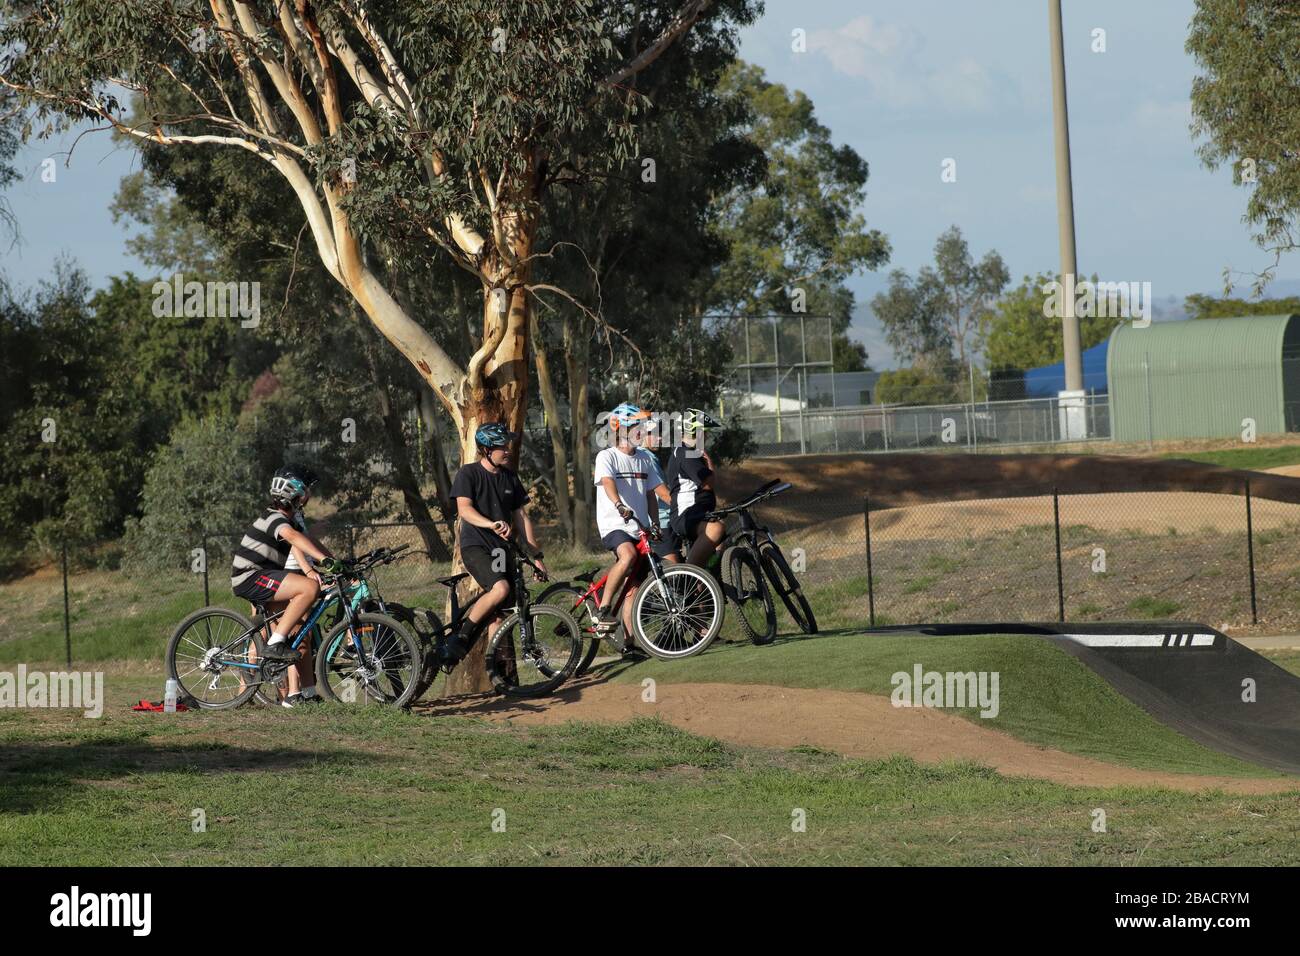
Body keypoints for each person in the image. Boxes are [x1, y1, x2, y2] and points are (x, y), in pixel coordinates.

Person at [230, 465, 335, 707]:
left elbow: (308, 540)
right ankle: (275, 644)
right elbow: (293, 538)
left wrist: (336, 562)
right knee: (309, 588)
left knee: (300, 632)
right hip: (250, 576)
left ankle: (302, 695)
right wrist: (322, 561)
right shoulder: (275, 518)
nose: (307, 497)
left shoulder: (290, 520)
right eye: (305, 492)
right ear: (295, 495)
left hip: (265, 575)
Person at [443, 422, 547, 664]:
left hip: (503, 550)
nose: (508, 450)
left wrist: (537, 556)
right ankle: (460, 638)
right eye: (503, 446)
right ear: (487, 449)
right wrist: (490, 524)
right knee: (500, 589)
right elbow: (465, 510)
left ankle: (498, 674)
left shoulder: (510, 477)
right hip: (476, 547)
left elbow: (521, 517)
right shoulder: (468, 473)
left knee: (500, 617)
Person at [592, 403, 664, 641]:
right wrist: (619, 505)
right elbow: (608, 483)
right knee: (628, 556)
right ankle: (603, 608)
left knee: (634, 588)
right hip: (615, 524)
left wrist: (655, 524)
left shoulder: (644, 458)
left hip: (639, 527)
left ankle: (629, 642)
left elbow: (651, 493)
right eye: (636, 426)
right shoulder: (607, 455)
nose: (641, 431)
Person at [668, 408, 726, 566]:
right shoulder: (685, 452)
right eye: (703, 433)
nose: (705, 437)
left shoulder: (691, 452)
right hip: (686, 514)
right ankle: (691, 575)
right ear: (696, 433)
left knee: (723, 538)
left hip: (698, 512)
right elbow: (708, 484)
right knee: (716, 529)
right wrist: (710, 464)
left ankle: (704, 583)